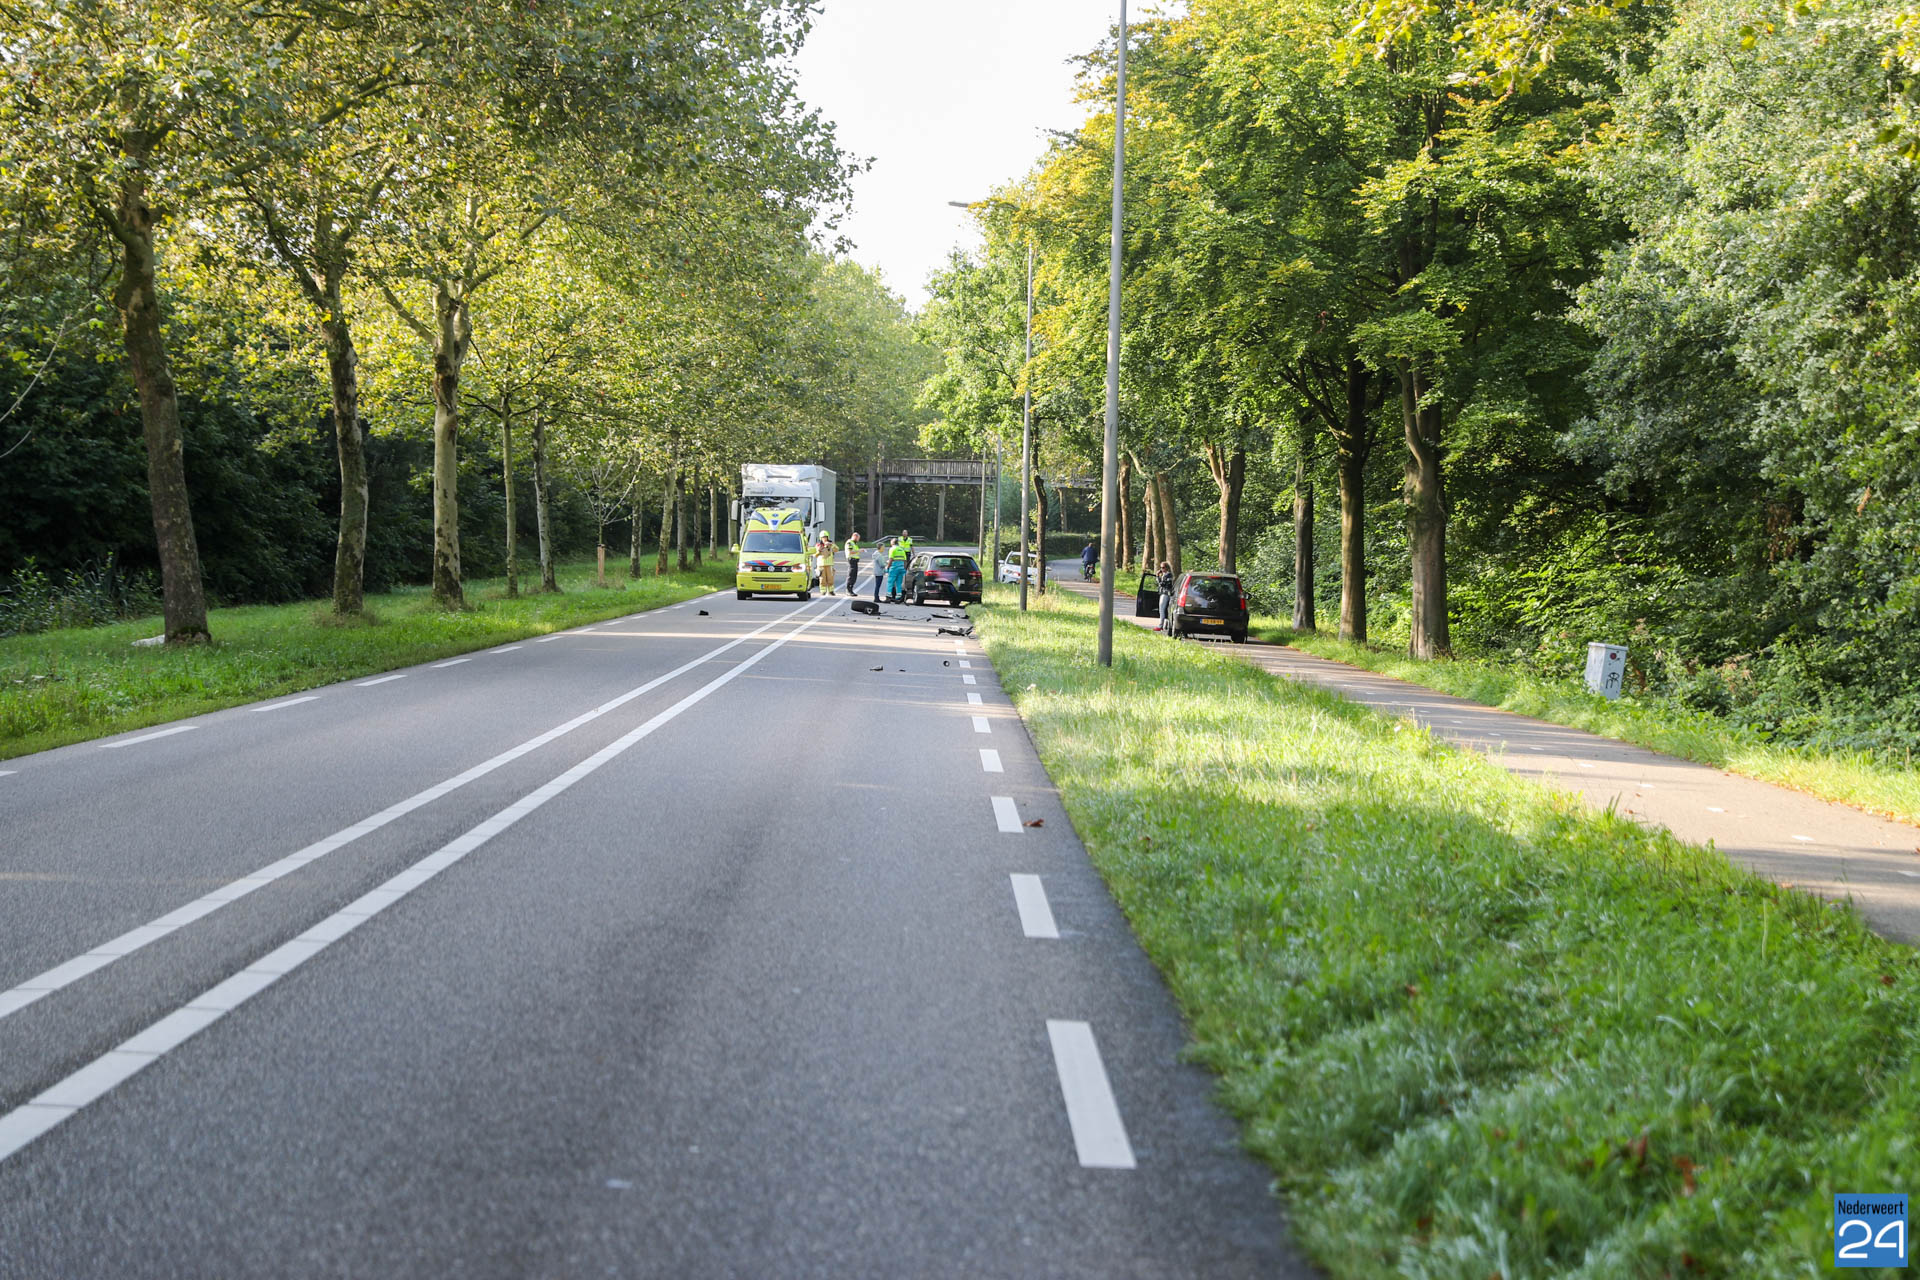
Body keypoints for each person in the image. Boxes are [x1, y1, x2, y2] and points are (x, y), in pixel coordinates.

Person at [886, 529, 912, 602]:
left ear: (892, 543)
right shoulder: (902, 549)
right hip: (901, 568)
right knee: (899, 583)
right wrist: (904, 569)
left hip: (894, 567)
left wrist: (887, 567)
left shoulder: (892, 549)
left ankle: (888, 597)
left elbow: (891, 559)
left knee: (890, 582)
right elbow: (905, 560)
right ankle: (898, 598)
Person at [1156, 560, 1175, 633]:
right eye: (1161, 567)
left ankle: (1160, 625)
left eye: (1163, 567)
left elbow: (1162, 584)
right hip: (1163, 593)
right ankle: (1165, 624)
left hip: (1166, 593)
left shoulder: (1168, 575)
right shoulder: (1164, 575)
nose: (1161, 569)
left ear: (1167, 568)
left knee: (1162, 609)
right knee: (1165, 609)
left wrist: (1157, 577)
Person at [816, 530, 837, 594]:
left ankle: (831, 590)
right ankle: (823, 591)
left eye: (826, 537)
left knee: (830, 578)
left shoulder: (831, 544)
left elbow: (837, 549)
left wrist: (831, 545)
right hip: (821, 565)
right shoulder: (818, 545)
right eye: (823, 537)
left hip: (829, 564)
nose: (824, 539)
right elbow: (816, 554)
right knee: (822, 579)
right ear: (821, 538)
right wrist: (820, 549)